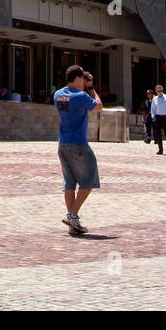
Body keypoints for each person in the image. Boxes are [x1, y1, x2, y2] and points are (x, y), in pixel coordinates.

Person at [55, 65, 102, 236]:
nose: (84, 82)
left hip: (63, 144)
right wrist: (92, 89)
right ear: (77, 79)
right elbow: (98, 106)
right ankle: (72, 215)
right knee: (88, 180)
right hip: (79, 144)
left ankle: (73, 224)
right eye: (83, 79)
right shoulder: (81, 96)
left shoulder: (58, 95)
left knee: (69, 182)